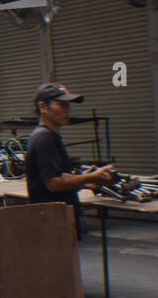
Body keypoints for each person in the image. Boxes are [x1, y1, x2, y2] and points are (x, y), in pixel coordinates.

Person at [25, 83, 114, 238]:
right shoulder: (44, 138)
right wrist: (92, 177)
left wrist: (86, 182)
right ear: (43, 107)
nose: (67, 109)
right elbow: (54, 183)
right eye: (61, 104)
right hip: (52, 223)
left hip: (58, 220)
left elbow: (58, 176)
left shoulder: (50, 136)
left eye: (68, 105)